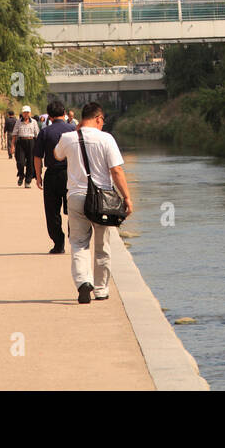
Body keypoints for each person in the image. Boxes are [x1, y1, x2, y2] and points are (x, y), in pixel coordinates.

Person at [52, 101, 133, 304]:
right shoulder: (106, 138)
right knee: (102, 245)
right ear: (98, 118)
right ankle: (101, 289)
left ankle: (83, 282)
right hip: (102, 199)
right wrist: (127, 197)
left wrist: (75, 133)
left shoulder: (68, 137)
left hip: (75, 197)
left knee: (79, 242)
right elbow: (116, 170)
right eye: (102, 120)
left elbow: (56, 155)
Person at [33, 99, 75, 254]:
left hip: (52, 175)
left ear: (49, 116)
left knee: (52, 211)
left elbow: (37, 156)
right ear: (64, 113)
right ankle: (74, 238)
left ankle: (58, 243)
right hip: (71, 174)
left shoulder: (45, 132)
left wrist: (38, 176)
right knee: (73, 209)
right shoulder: (73, 130)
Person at [12, 106, 39, 187]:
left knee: (30, 162)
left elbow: (37, 134)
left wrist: (39, 146)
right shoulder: (18, 122)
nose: (26, 114)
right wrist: (12, 146)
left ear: (30, 113)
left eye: (27, 112)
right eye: (24, 112)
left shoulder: (34, 122)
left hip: (31, 142)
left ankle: (28, 181)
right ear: (22, 113)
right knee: (20, 162)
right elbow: (14, 134)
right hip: (21, 142)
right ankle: (21, 175)